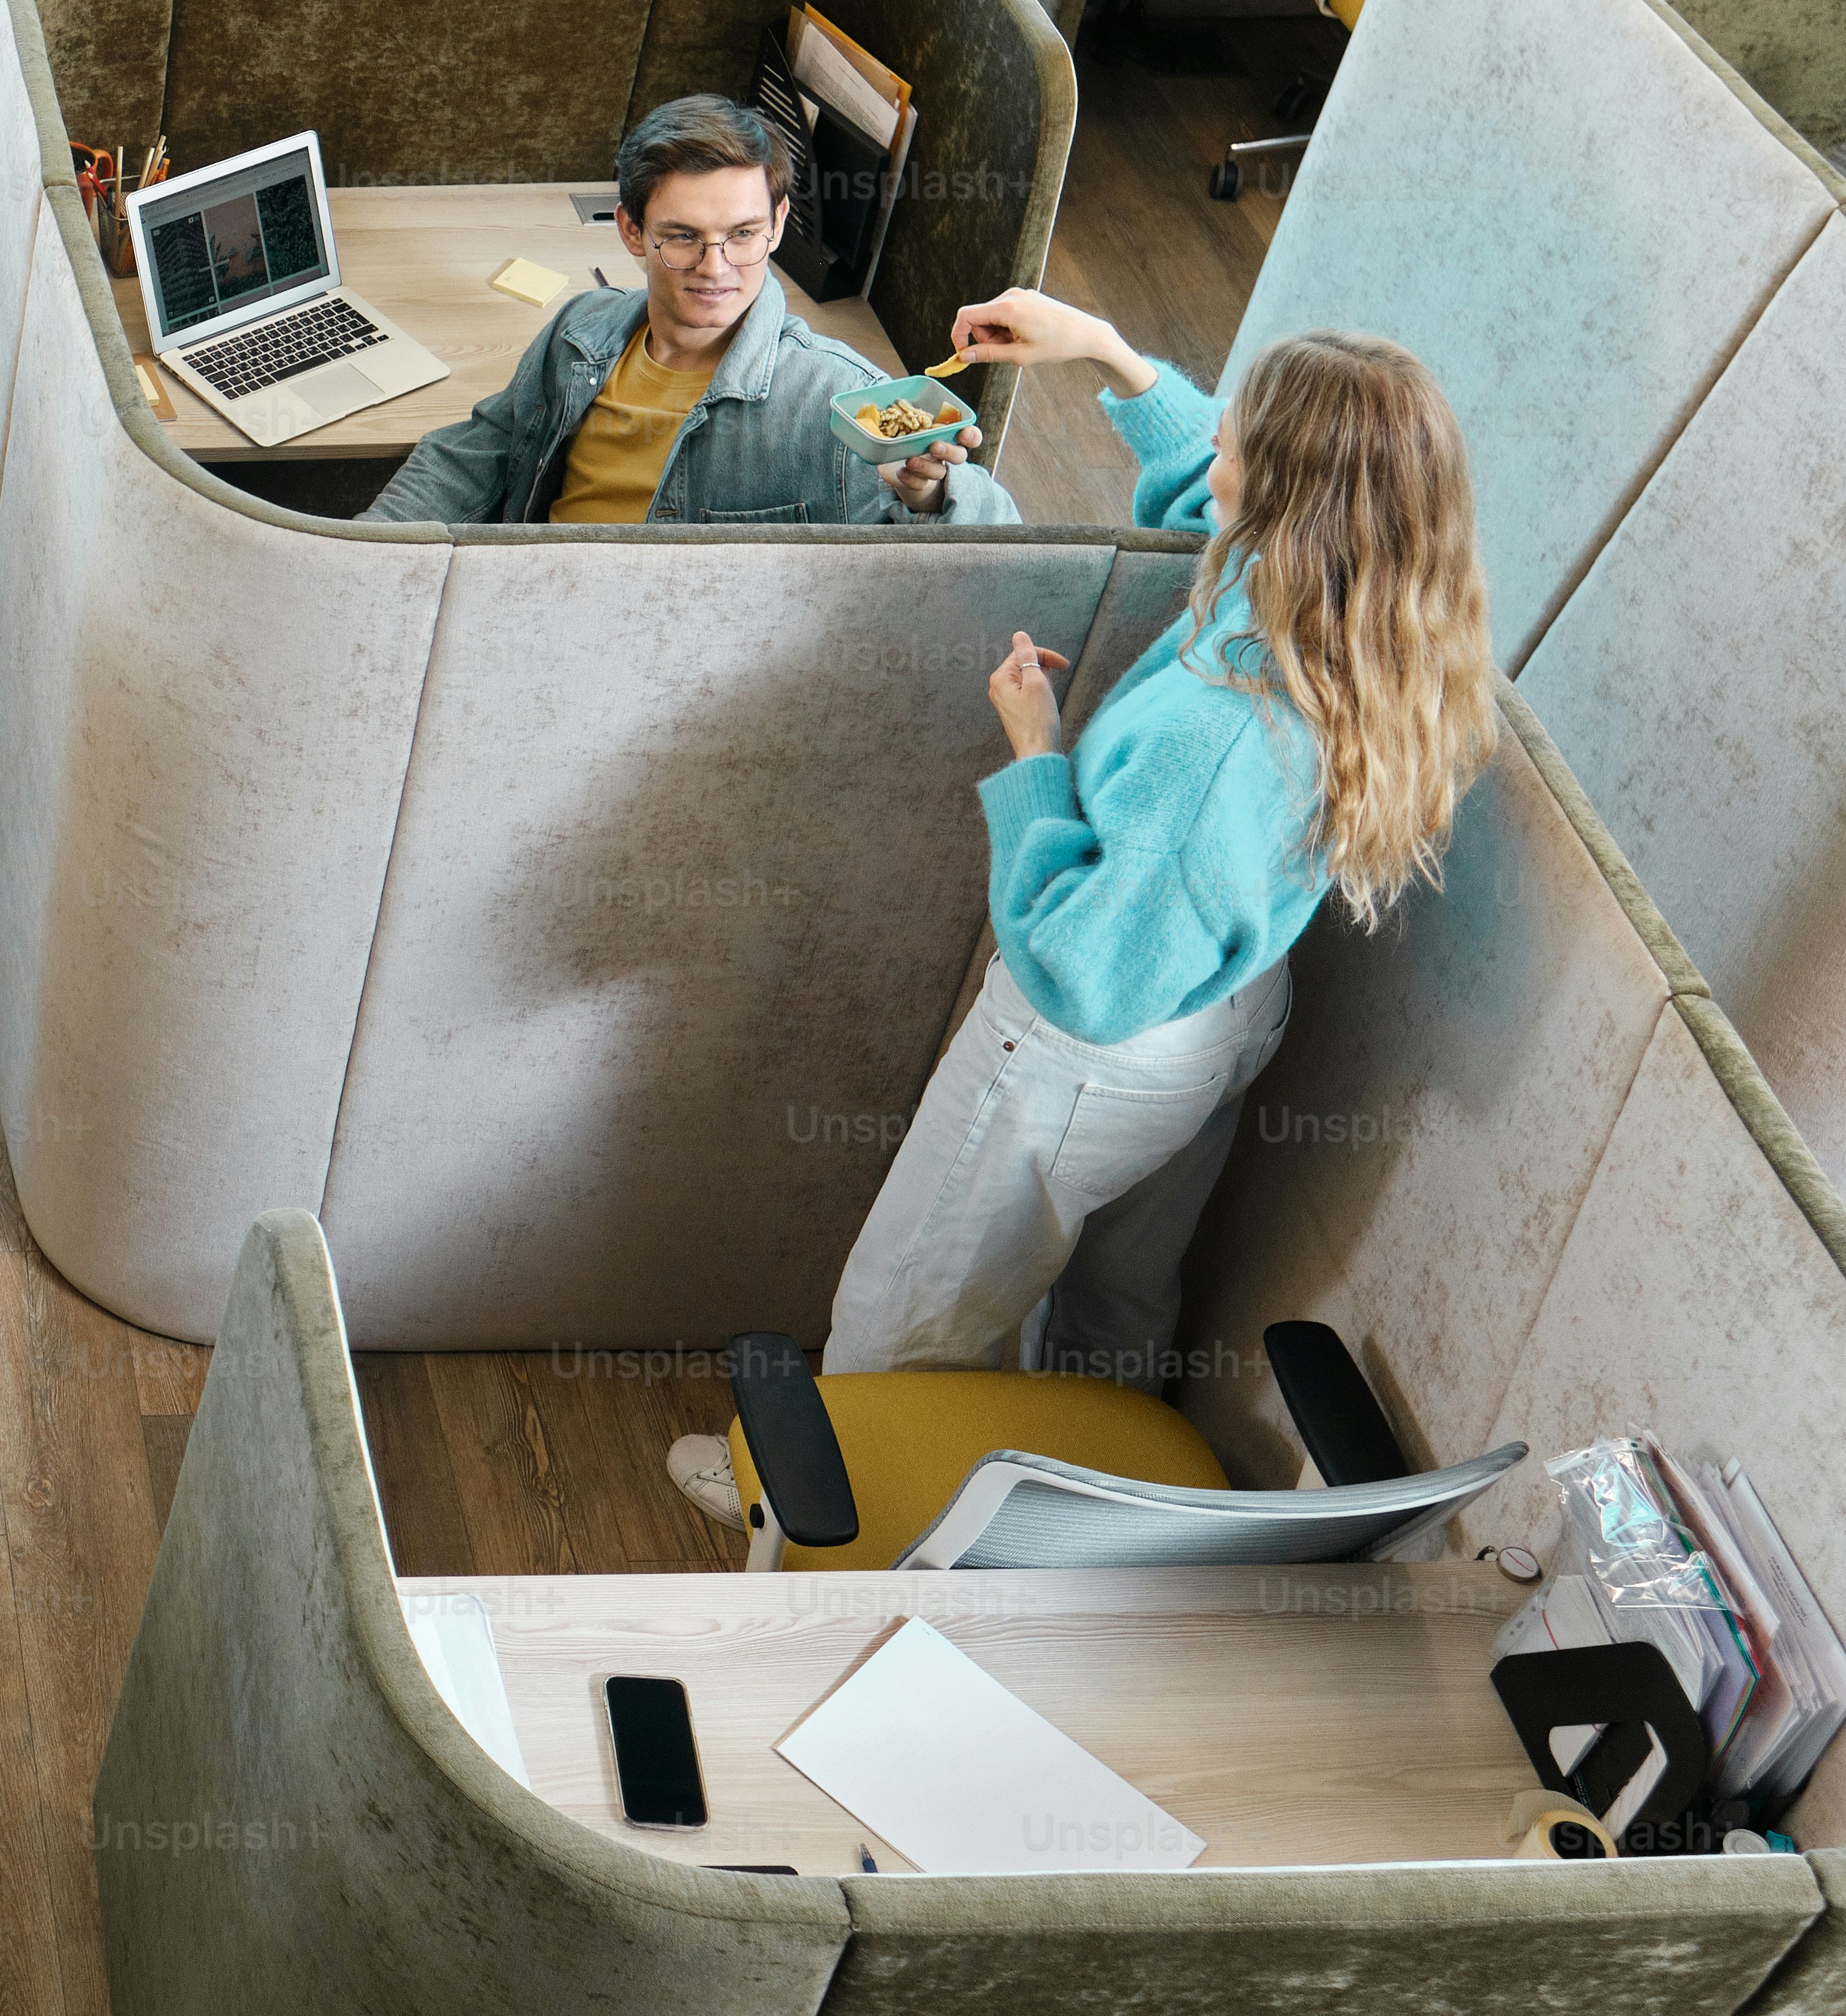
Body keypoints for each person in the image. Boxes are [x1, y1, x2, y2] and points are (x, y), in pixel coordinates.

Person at [668, 300, 1496, 1518]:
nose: (1212, 453)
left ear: (1285, 491)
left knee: (904, 1311)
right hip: (1219, 1019)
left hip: (1090, 1049)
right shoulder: (1355, 611)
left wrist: (1035, 757)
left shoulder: (1221, 736)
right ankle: (1061, 1531)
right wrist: (1108, 351)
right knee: (1118, 1297)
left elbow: (1078, 969)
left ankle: (811, 1520)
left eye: (1236, 444)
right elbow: (1208, 503)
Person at [364, 96, 1015, 529]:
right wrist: (355, 552)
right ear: (630, 231)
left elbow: (1002, 539)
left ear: (780, 223)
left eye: (742, 234)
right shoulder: (579, 332)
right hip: (525, 609)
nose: (715, 267)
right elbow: (470, 458)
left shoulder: (842, 396)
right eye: (682, 237)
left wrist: (926, 495)